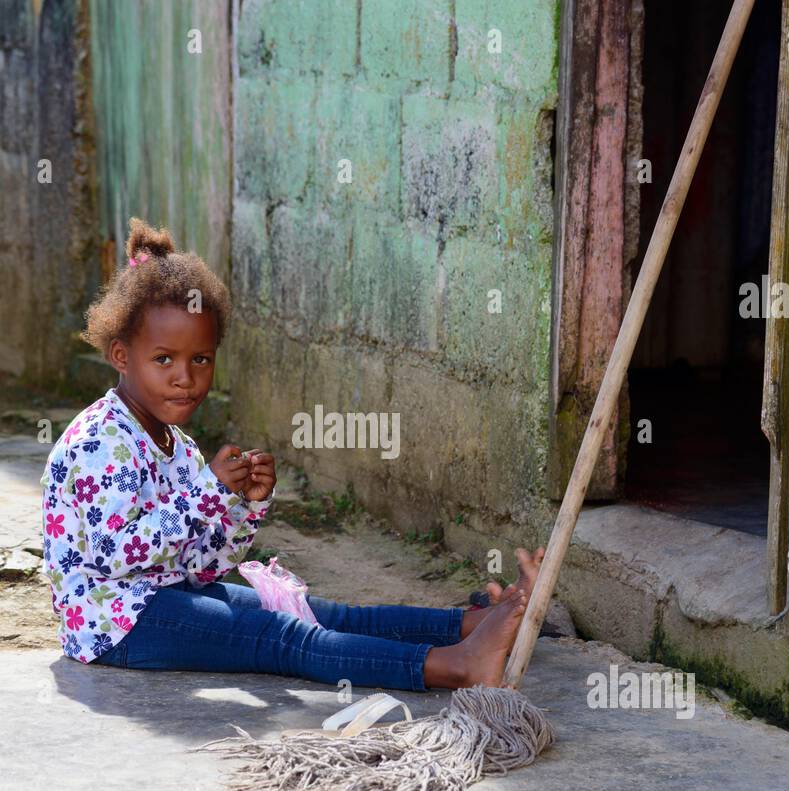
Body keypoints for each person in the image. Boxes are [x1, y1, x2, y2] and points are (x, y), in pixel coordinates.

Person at [40, 218, 544, 691]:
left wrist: (244, 506)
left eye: (201, 359)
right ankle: (456, 665)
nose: (184, 377)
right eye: (163, 359)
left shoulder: (176, 443)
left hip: (166, 599)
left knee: (308, 609)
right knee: (280, 637)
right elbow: (117, 555)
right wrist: (206, 493)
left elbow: (204, 567)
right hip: (116, 624)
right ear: (121, 357)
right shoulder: (100, 441)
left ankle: (471, 624)